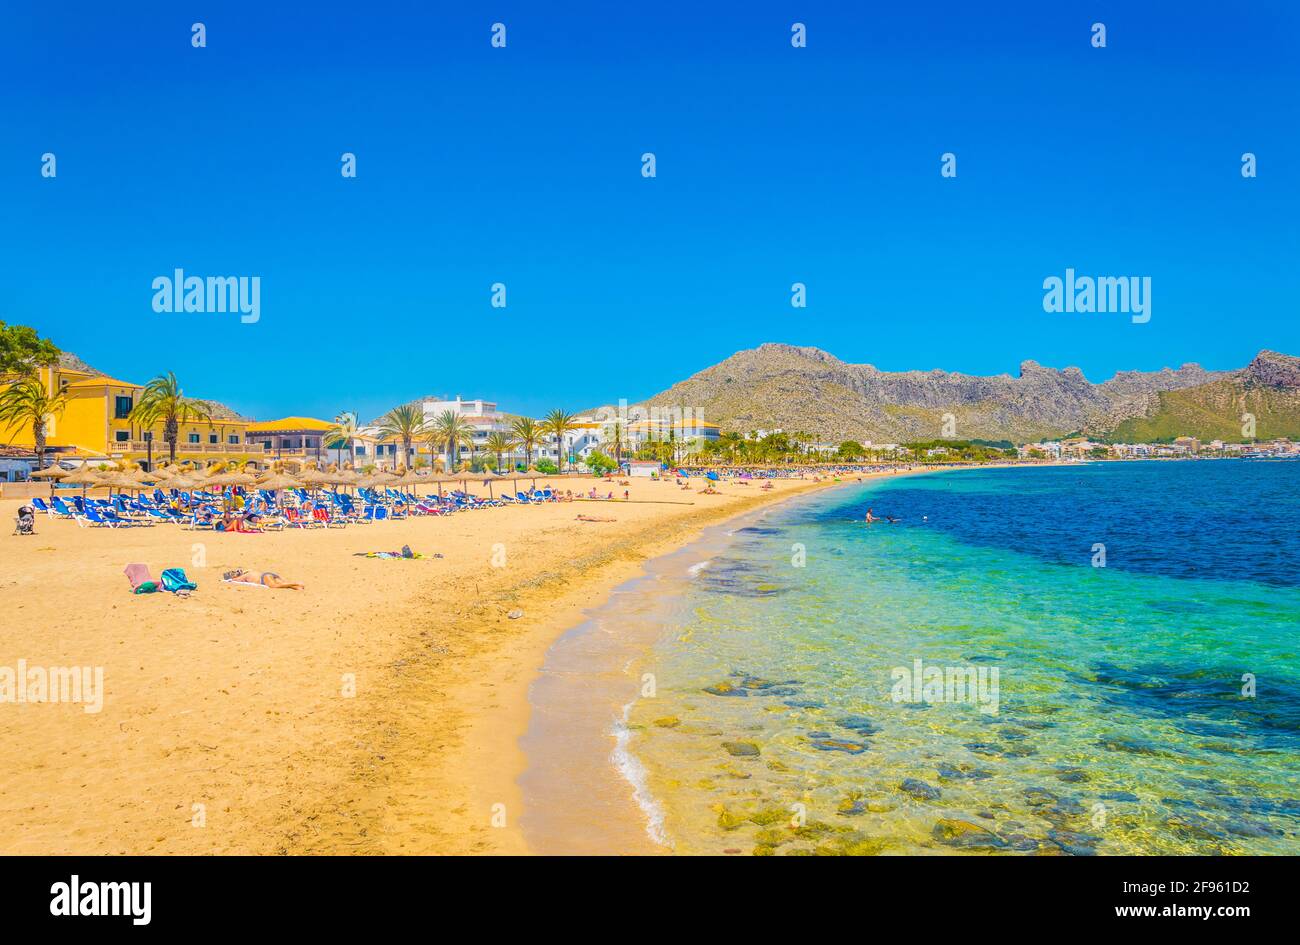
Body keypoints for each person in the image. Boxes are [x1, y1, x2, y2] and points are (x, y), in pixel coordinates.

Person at [222, 568, 304, 589]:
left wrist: (230, 579)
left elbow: (232, 580)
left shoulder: (242, 576)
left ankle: (296, 583)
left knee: (273, 586)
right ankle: (296, 587)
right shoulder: (248, 572)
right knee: (282, 584)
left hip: (264, 577)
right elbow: (249, 569)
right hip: (268, 574)